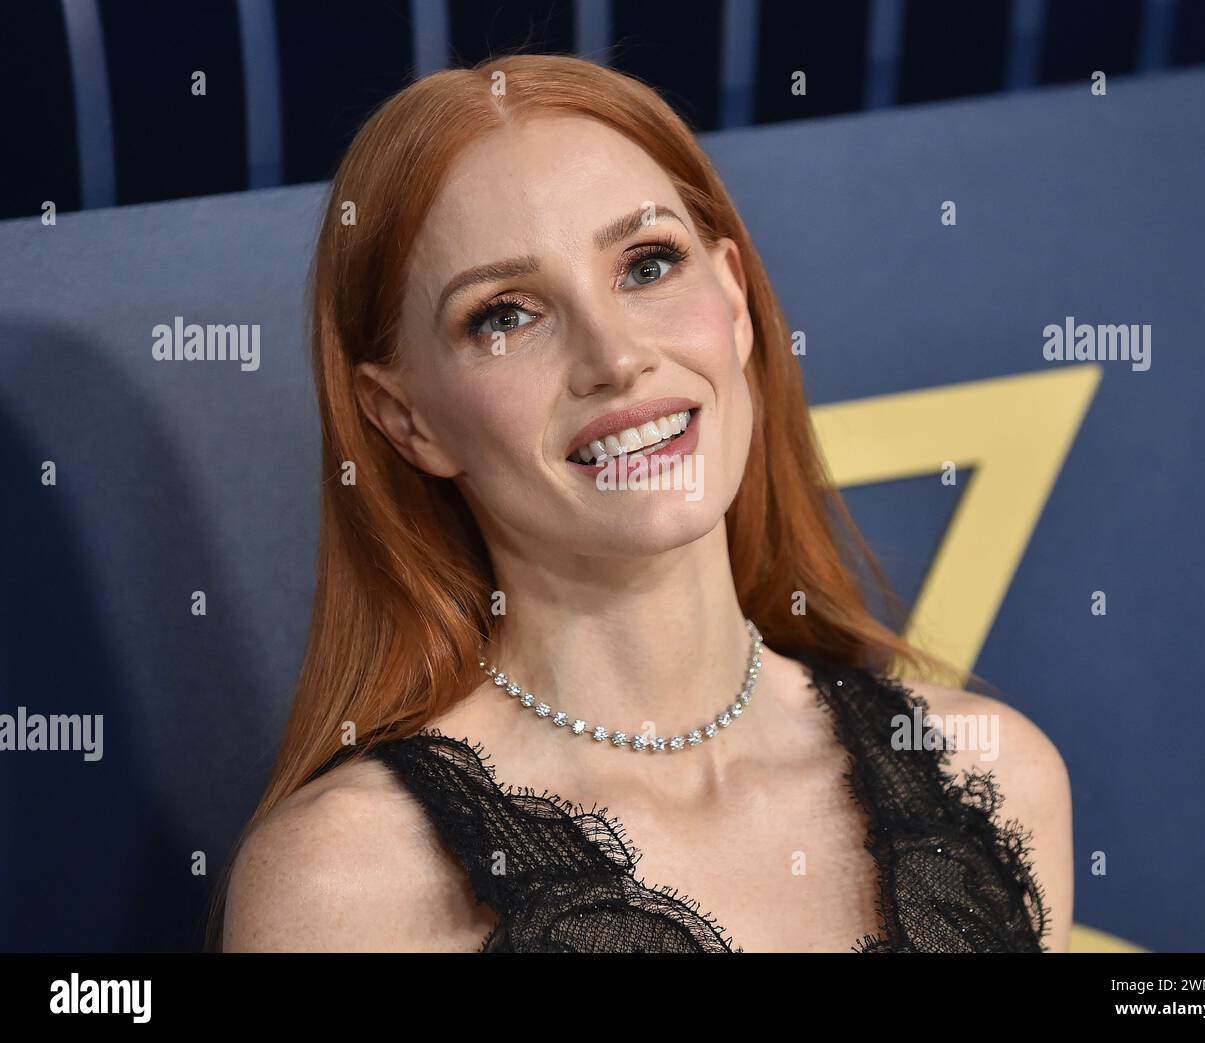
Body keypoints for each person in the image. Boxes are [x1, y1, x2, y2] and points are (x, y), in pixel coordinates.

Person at [209, 52, 1073, 953]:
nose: (615, 356)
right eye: (506, 314)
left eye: (647, 264)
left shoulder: (1001, 777)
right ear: (407, 419)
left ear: (733, 299)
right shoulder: (344, 882)